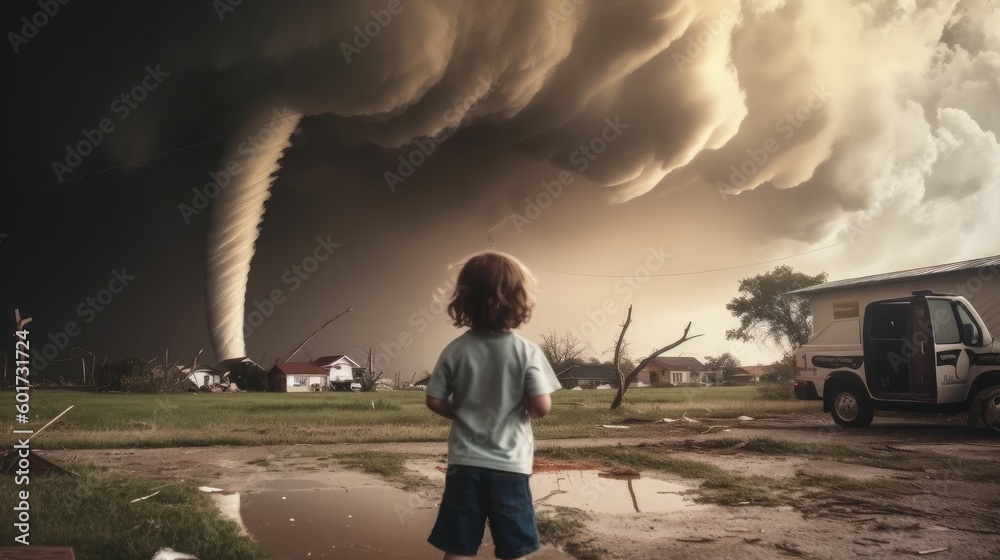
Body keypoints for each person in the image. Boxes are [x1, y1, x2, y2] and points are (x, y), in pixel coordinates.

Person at [425, 251, 562, 560]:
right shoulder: (526, 352)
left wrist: (458, 413)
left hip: (465, 465)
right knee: (514, 548)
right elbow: (542, 406)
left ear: (464, 300)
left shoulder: (455, 350)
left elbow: (434, 399)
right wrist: (526, 404)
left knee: (458, 545)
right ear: (519, 299)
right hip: (510, 467)